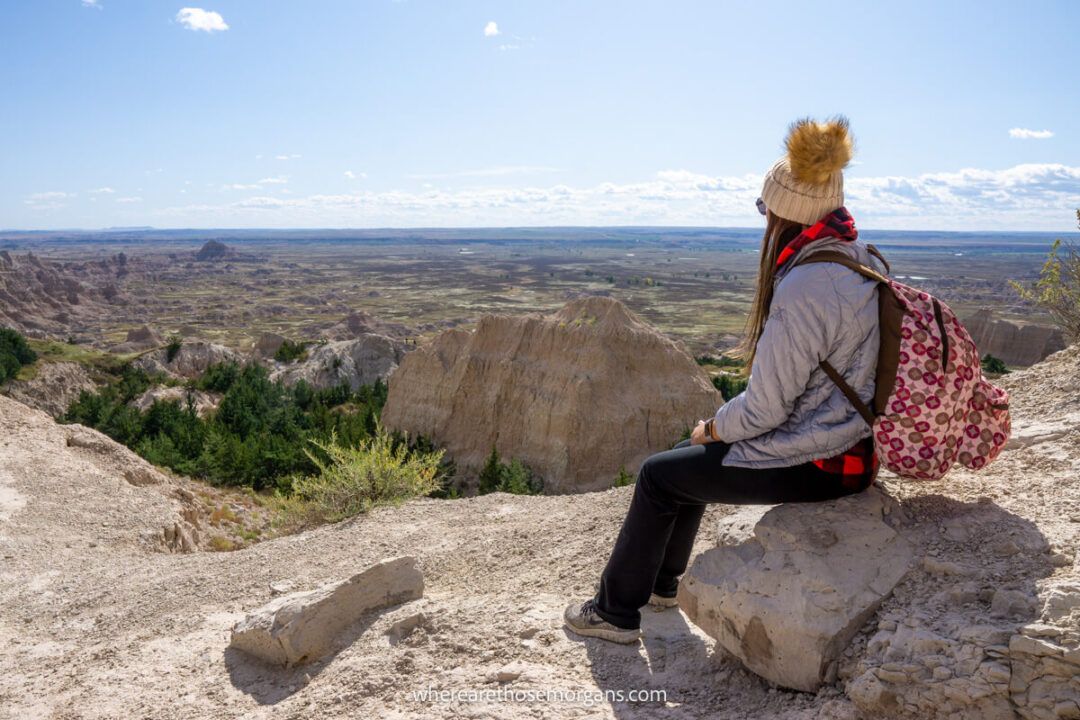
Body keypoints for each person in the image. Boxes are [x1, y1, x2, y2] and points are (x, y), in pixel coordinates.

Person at [564, 116, 885, 644]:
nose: (763, 219)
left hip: (820, 462)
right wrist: (708, 435)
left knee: (657, 474)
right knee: (679, 462)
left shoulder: (807, 284)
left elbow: (765, 411)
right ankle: (662, 588)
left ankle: (614, 613)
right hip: (850, 448)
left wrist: (713, 428)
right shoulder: (861, 259)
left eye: (765, 207)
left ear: (784, 212)